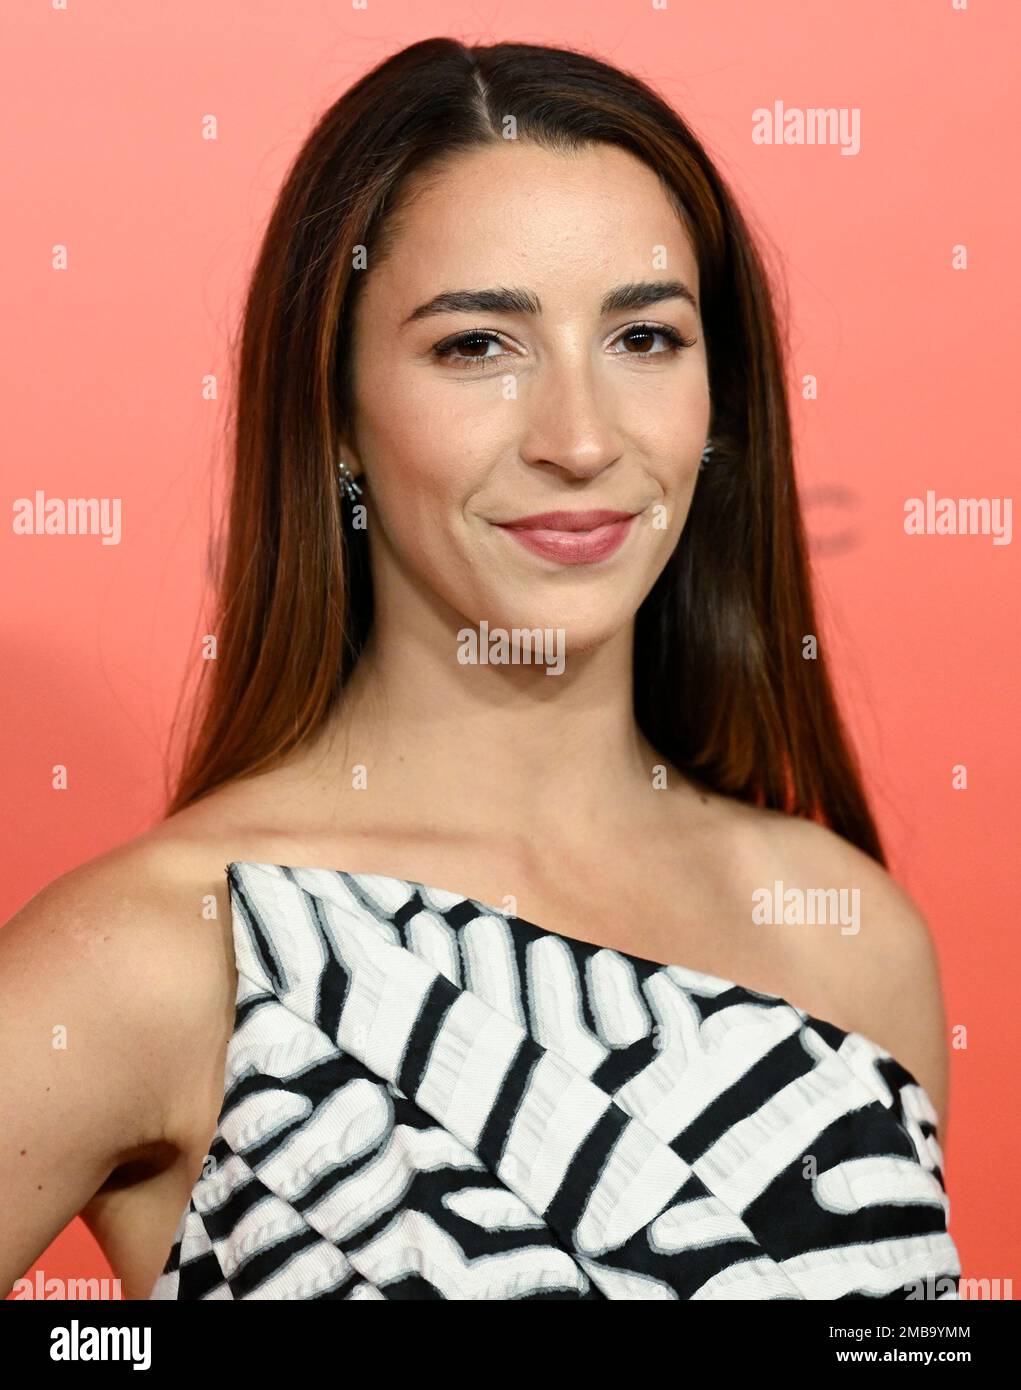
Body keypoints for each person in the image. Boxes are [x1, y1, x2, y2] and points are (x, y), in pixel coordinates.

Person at [1, 37, 960, 1301]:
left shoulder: (851, 943)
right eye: (475, 347)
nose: (578, 439)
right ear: (335, 412)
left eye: (646, 338)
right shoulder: (169, 949)